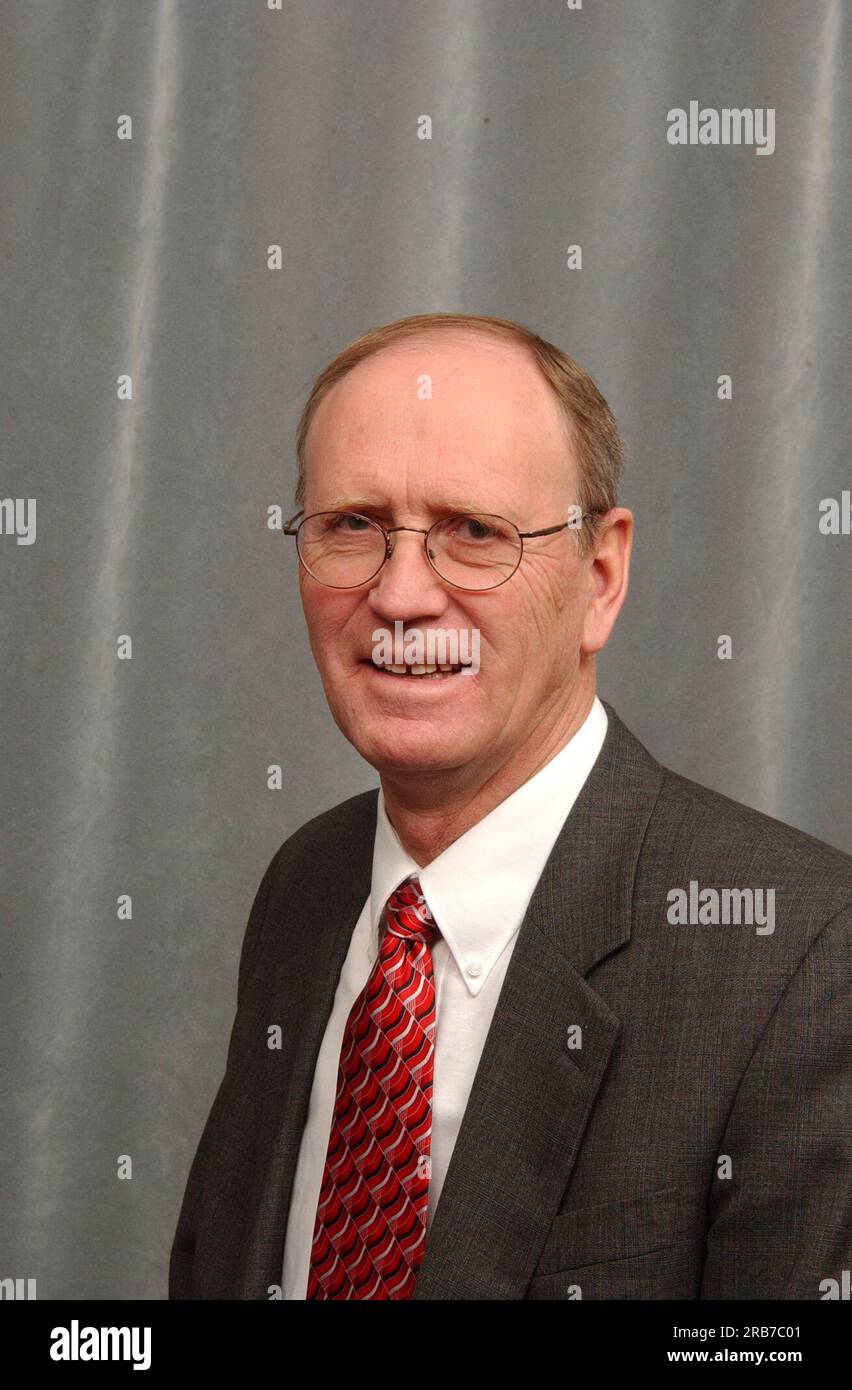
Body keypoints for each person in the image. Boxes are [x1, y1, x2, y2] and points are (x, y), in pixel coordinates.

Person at [169, 312, 851, 1300]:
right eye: (353, 525)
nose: (402, 596)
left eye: (475, 532)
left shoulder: (804, 957)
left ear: (601, 577)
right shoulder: (306, 887)